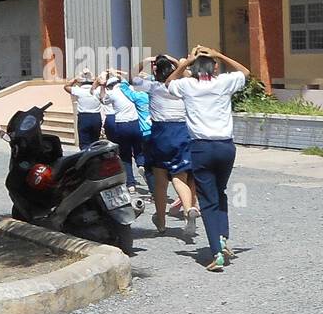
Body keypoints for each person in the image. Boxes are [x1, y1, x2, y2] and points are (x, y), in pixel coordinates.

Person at [164, 45, 250, 271]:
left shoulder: (188, 85)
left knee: (207, 200)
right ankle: (222, 236)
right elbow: (245, 72)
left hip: (201, 148)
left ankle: (216, 252)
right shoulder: (224, 83)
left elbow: (168, 83)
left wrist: (185, 62)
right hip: (226, 147)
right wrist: (218, 54)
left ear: (193, 69)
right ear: (215, 67)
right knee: (219, 193)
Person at [134, 55, 198, 238]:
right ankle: (188, 209)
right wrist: (178, 61)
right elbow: (188, 74)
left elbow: (131, 78)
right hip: (181, 131)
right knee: (180, 177)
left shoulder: (153, 87)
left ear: (155, 71)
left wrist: (146, 60)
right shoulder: (183, 86)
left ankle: (161, 222)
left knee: (160, 181)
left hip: (160, 133)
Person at [99, 72, 143, 189]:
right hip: (136, 123)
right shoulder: (130, 89)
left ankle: (130, 184)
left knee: (125, 155)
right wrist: (118, 73)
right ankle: (141, 164)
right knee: (139, 150)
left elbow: (103, 100)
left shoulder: (112, 93)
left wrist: (102, 85)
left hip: (122, 124)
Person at [63, 69, 103, 149]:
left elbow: (66, 86)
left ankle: (85, 158)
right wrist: (96, 78)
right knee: (95, 141)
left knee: (84, 143)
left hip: (84, 117)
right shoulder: (98, 90)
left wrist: (75, 79)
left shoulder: (79, 90)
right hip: (96, 117)